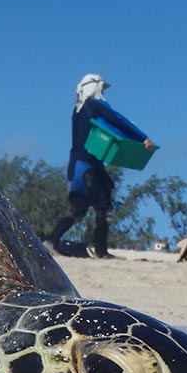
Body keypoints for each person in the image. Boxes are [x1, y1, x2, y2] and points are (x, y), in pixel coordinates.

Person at [46, 74, 155, 259]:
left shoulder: (78, 110)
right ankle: (101, 251)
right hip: (90, 166)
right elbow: (117, 120)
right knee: (103, 207)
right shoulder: (94, 105)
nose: (103, 92)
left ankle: (51, 241)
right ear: (94, 87)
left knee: (78, 210)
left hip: (76, 167)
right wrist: (142, 137)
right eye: (101, 88)